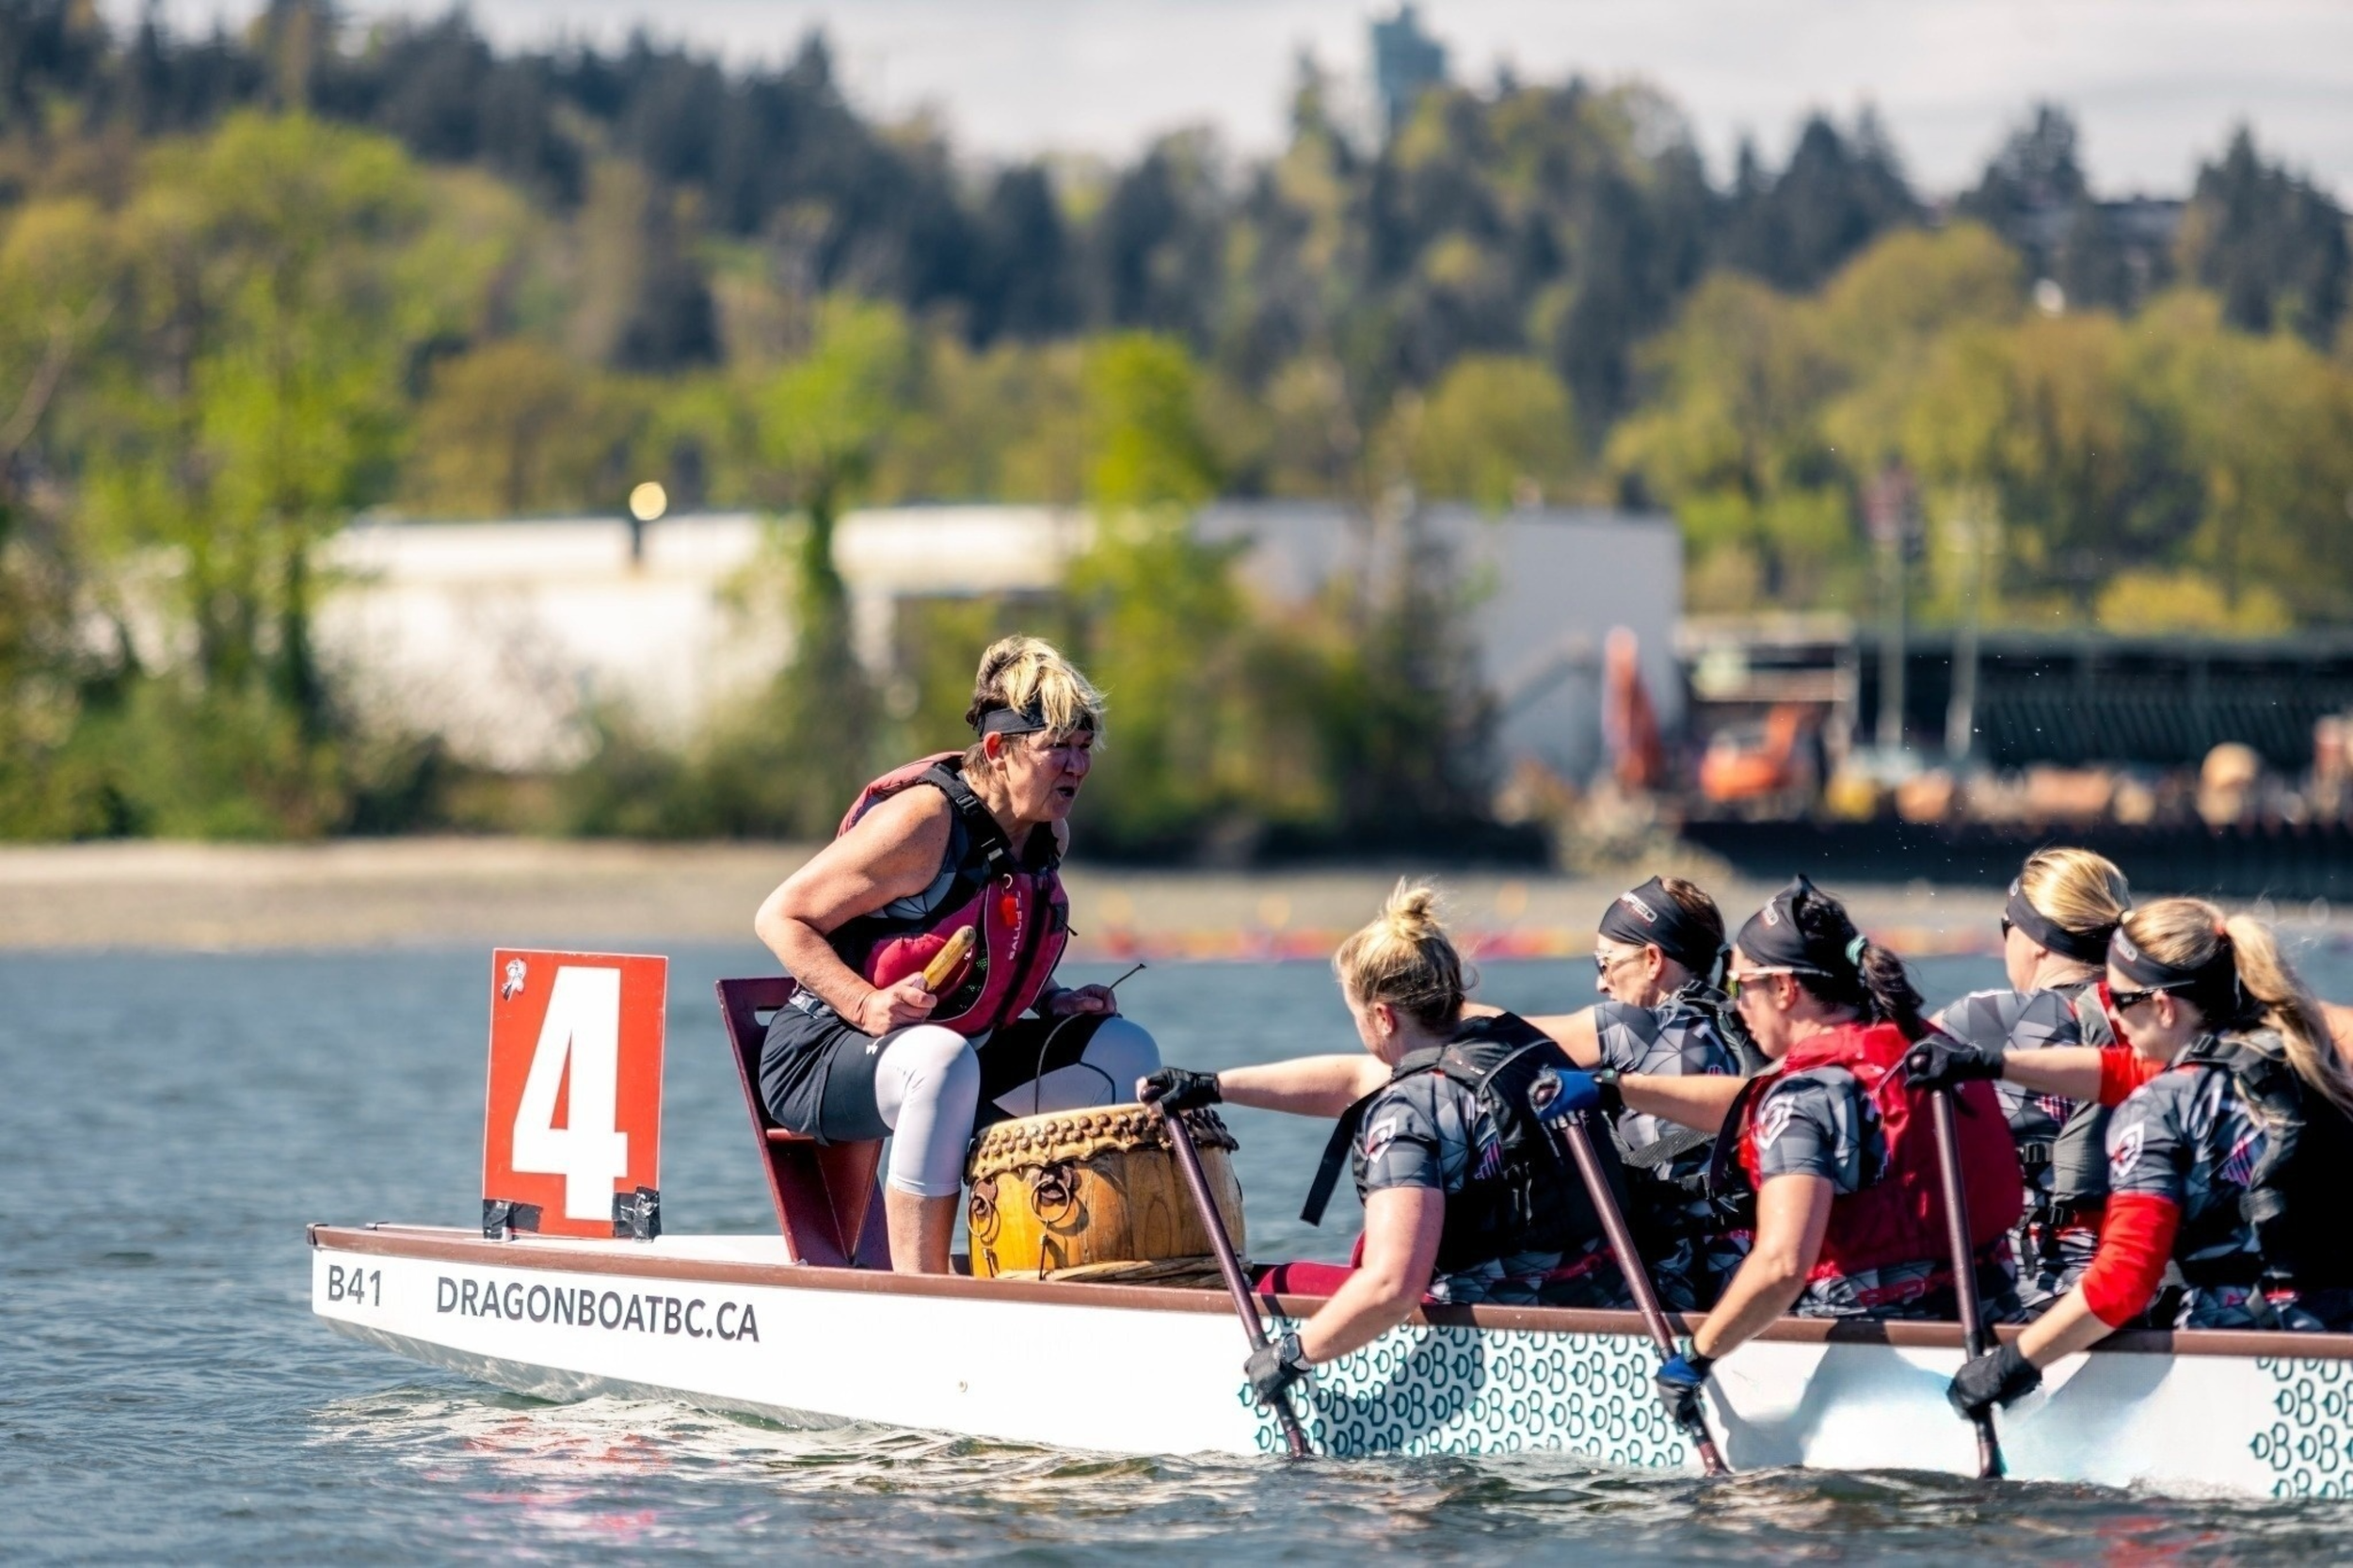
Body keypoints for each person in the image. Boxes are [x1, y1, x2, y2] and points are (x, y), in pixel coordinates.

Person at [752, 635, 1160, 1274]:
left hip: (955, 1053)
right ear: (998, 751)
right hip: (823, 1057)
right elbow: (780, 916)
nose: (1076, 768)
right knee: (940, 1063)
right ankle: (924, 1287)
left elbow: (1007, 937)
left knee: (1123, 1051)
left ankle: (1077, 1262)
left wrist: (1054, 999)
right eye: (1058, 748)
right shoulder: (922, 822)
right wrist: (866, 1001)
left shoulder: (1047, 829)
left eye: (1084, 749)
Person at [1139, 882, 1627, 1410]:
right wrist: (1213, 1085)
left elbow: (1393, 1287)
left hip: (1503, 1329)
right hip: (1600, 1291)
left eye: (1357, 1015)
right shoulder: (1516, 1041)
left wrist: (1291, 1357)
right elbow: (1354, 1079)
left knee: (1264, 1282)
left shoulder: (1405, 1112)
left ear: (1384, 1017)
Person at [1931, 899, 2353, 1421]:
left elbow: (2123, 1283)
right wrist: (1990, 1063)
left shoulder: (2160, 1107)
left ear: (2164, 1007)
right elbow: (2120, 1070)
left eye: (2121, 1000)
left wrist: (2011, 1365)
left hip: (2241, 1359)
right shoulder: (2299, 1057)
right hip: (2332, 1333)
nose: (2109, 1013)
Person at [1632, 877, 2023, 1429]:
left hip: (1872, 1354)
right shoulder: (1927, 1050)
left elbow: (1783, 1266)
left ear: (1786, 989)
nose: (1737, 1005)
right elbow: (1752, 1106)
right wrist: (1618, 1086)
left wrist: (1698, 1356)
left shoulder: (1804, 1097)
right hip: (1985, 1328)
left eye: (1743, 986)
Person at [1502, 875, 1761, 1310]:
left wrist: (1421, 1000)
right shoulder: (1751, 1027)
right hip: (1752, 1270)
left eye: (1605, 963)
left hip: (1675, 1283)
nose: (1601, 984)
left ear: (1653, 959)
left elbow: (1492, 1042)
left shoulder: (1631, 1027)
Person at [1929, 849, 2130, 1315]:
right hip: (2146, 1275)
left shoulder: (1980, 1019)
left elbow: (1871, 1072)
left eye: (2007, 928)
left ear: (2037, 940)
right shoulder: (2160, 1017)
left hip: (2039, 1290)